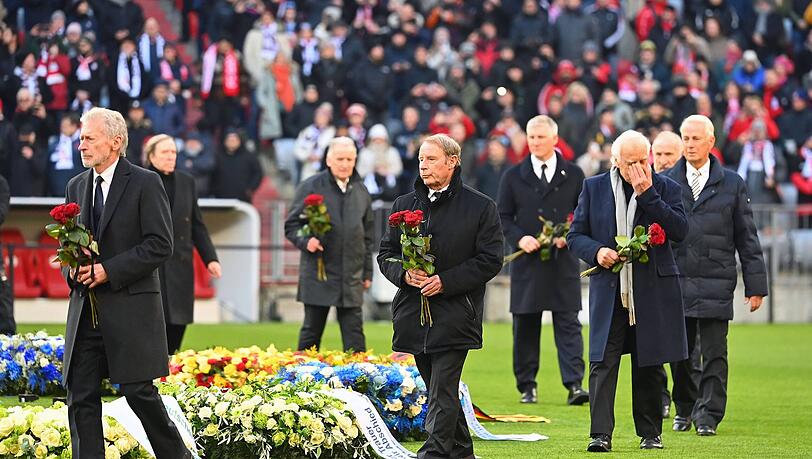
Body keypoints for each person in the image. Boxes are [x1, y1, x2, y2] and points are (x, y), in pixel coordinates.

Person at [63, 107, 191, 458]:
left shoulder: (145, 183)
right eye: (81, 138)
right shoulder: (75, 185)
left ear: (116, 141)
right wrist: (71, 270)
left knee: (138, 392)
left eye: (89, 138)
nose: (81, 145)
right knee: (80, 395)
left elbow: (160, 244)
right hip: (85, 312)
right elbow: (68, 248)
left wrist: (108, 270)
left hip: (131, 309)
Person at [378, 134, 504, 459]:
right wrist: (405, 275)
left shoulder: (481, 206)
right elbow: (386, 254)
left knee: (443, 389)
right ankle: (462, 452)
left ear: (452, 161)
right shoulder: (403, 205)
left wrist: (445, 282)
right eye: (421, 159)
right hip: (413, 314)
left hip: (456, 314)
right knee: (438, 388)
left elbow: (491, 259)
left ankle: (432, 453)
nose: (423, 165)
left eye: (431, 159)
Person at [568, 129, 689, 452]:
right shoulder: (594, 187)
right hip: (610, 291)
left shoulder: (666, 187)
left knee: (649, 363)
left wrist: (648, 194)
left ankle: (650, 433)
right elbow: (575, 235)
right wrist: (597, 252)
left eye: (642, 161)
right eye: (629, 163)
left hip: (651, 292)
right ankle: (600, 435)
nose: (637, 168)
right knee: (602, 363)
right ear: (615, 160)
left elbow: (680, 230)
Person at [664, 115, 768, 436]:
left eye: (696, 138)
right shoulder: (666, 182)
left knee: (714, 355)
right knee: (680, 355)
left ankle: (708, 415)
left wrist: (756, 285)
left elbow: (747, 237)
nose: (690, 144)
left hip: (716, 280)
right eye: (686, 138)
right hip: (676, 279)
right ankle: (684, 408)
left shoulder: (733, 183)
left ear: (711, 141)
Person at [496, 115, 588, 405]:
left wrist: (570, 235)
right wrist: (520, 238)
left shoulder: (574, 174)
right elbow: (503, 217)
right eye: (531, 137)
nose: (535, 142)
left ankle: (575, 385)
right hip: (527, 262)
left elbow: (583, 214)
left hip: (563, 261)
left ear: (554, 139)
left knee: (568, 323)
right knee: (525, 324)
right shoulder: (513, 176)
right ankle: (527, 386)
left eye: (540, 137)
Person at [284, 137, 375, 352]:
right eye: (340, 159)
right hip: (319, 272)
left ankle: (359, 374)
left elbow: (367, 236)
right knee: (311, 333)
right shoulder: (311, 186)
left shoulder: (361, 190)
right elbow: (291, 225)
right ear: (328, 160)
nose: (345, 164)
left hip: (351, 276)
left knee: (355, 337)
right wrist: (306, 241)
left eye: (349, 159)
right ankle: (303, 373)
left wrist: (367, 272)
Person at [143, 134, 221, 354]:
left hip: (180, 262)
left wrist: (210, 258)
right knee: (152, 321)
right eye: (165, 152)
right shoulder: (141, 181)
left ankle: (171, 364)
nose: (171, 157)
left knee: (178, 321)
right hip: (150, 264)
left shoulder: (187, 181)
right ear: (151, 156)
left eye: (173, 152)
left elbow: (197, 224)